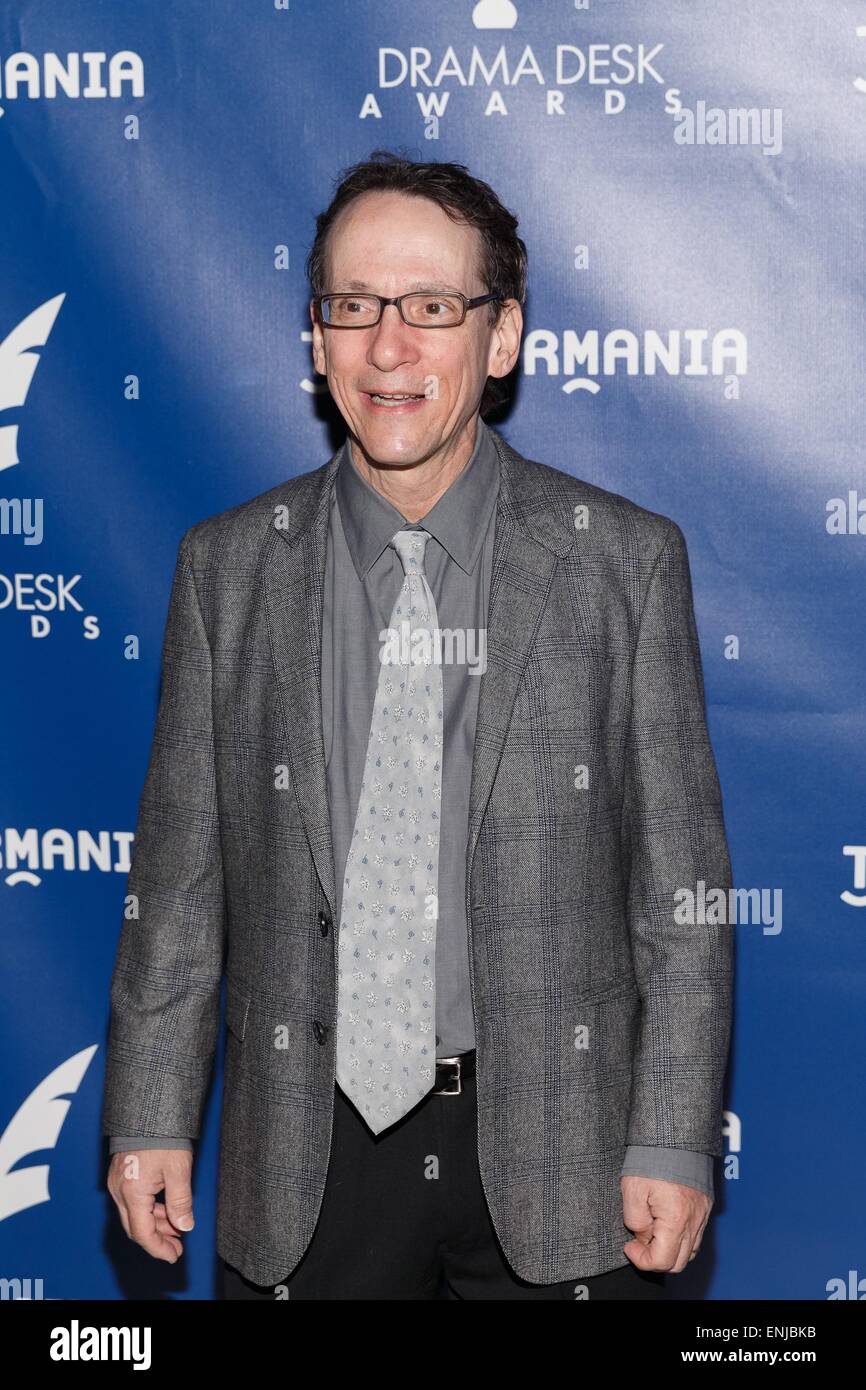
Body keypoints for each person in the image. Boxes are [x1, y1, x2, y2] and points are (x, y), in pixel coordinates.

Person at [103, 150, 734, 1300]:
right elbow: (179, 884)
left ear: (500, 340)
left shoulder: (624, 564)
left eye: (431, 308)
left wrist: (672, 1134)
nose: (387, 348)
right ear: (315, 338)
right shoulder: (225, 570)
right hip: (302, 1157)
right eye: (352, 308)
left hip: (563, 1153)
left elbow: (680, 900)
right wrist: (147, 1109)